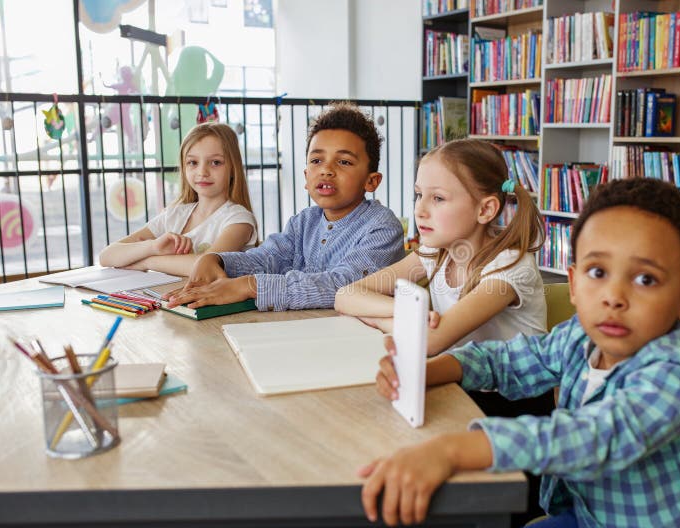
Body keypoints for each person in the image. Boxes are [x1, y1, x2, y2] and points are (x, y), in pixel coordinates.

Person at [360, 178, 680, 528]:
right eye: (598, 272)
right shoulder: (580, 336)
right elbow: (510, 361)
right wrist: (428, 370)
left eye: (645, 279)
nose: (614, 297)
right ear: (575, 283)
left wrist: (452, 450)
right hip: (592, 516)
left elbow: (595, 436)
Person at [164, 101, 405, 311]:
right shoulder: (304, 222)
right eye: (316, 160)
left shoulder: (382, 227)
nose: (326, 170)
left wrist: (250, 286)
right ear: (306, 176)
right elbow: (268, 258)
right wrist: (217, 260)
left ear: (371, 181)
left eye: (344, 162)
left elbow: (345, 285)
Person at [334, 139, 547, 355]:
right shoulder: (435, 253)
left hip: (512, 377)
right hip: (459, 370)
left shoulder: (510, 265)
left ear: (485, 210)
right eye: (419, 195)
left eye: (438, 198)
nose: (419, 211)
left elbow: (429, 342)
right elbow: (345, 295)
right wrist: (405, 312)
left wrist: (374, 319)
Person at [98, 122, 257, 276]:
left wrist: (147, 262)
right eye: (193, 162)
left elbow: (205, 266)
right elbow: (106, 256)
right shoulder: (173, 215)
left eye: (215, 162)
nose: (202, 172)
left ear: (233, 168)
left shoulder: (239, 220)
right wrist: (153, 247)